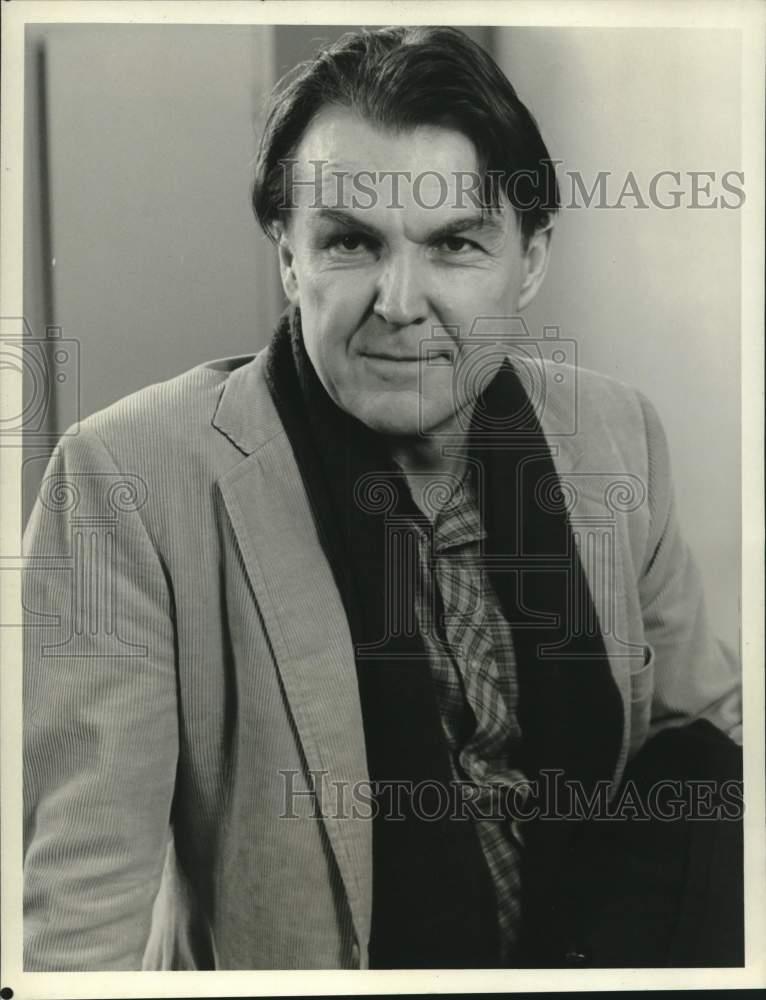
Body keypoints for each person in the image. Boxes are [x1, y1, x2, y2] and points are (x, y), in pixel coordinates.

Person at [22, 26, 742, 972]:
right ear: (289, 259)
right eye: (352, 242)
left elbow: (704, 745)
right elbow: (80, 915)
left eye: (454, 245)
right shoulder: (126, 480)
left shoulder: (614, 433)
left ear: (529, 261)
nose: (400, 302)